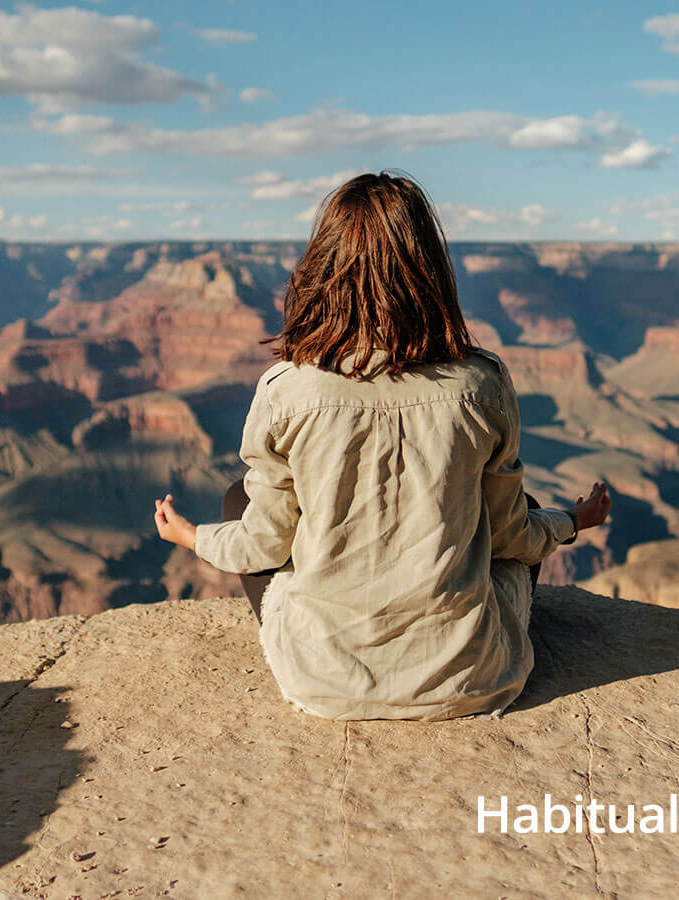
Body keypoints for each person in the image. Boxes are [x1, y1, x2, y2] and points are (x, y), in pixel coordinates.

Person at [153, 170, 610, 721]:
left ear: (322, 270)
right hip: (471, 680)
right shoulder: (481, 383)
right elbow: (512, 535)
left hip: (323, 684)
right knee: (527, 509)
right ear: (431, 270)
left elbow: (264, 548)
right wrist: (572, 520)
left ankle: (335, 653)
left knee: (237, 502)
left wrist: (191, 537)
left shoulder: (286, 388)